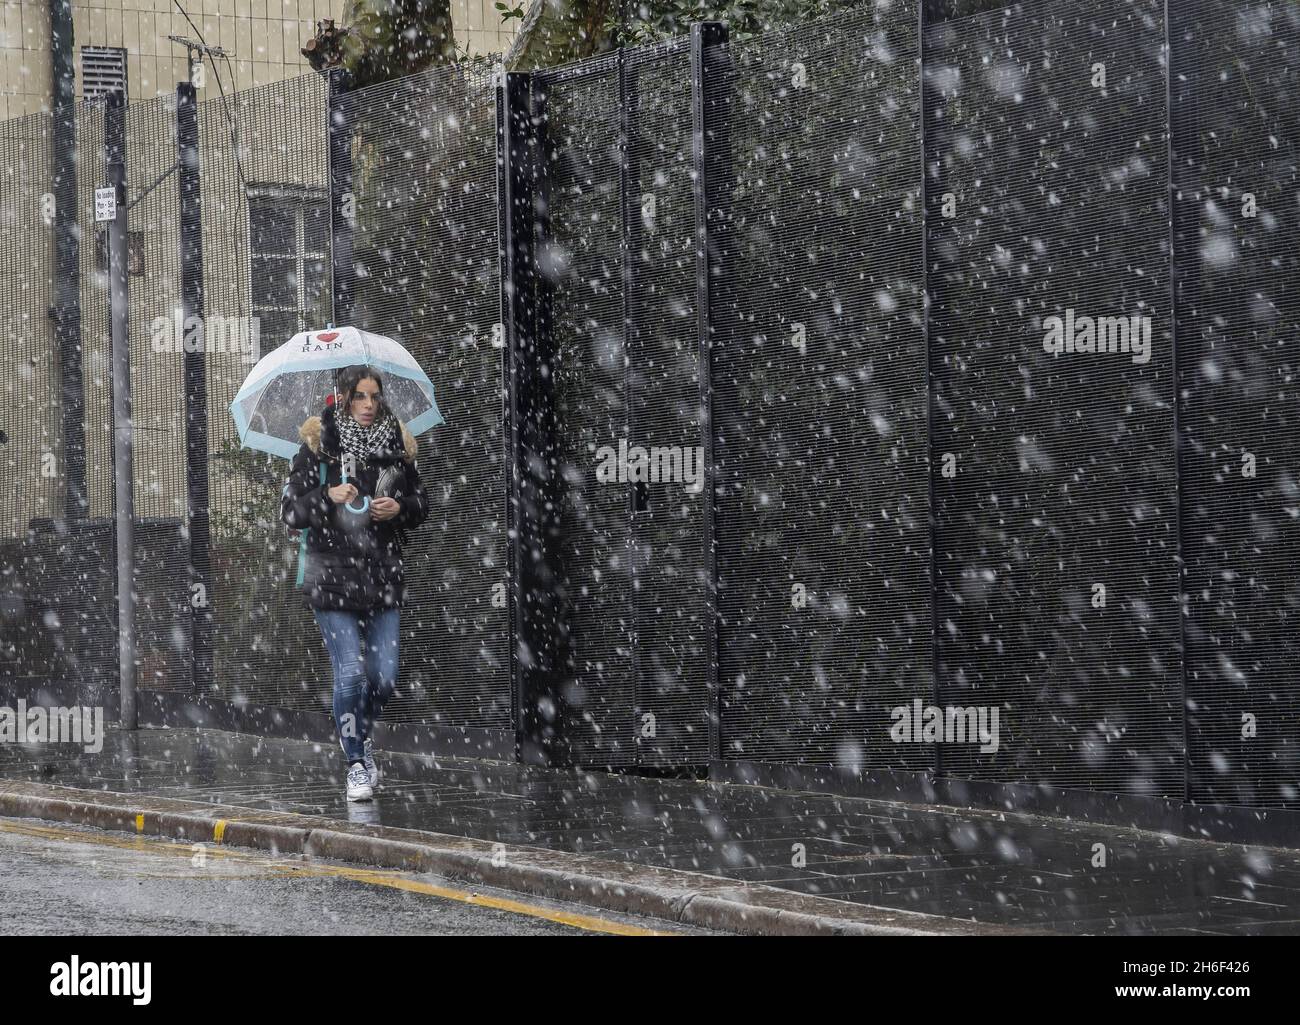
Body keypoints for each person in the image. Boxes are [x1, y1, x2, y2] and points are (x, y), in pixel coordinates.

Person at [279, 365, 429, 801]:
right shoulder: (315, 451)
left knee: (383, 677)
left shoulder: (399, 449)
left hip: (382, 575)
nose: (368, 405)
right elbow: (291, 511)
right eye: (359, 396)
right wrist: (328, 497)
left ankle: (360, 734)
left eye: (374, 397)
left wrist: (397, 508)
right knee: (350, 672)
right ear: (342, 398)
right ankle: (356, 763)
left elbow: (422, 505)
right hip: (332, 577)